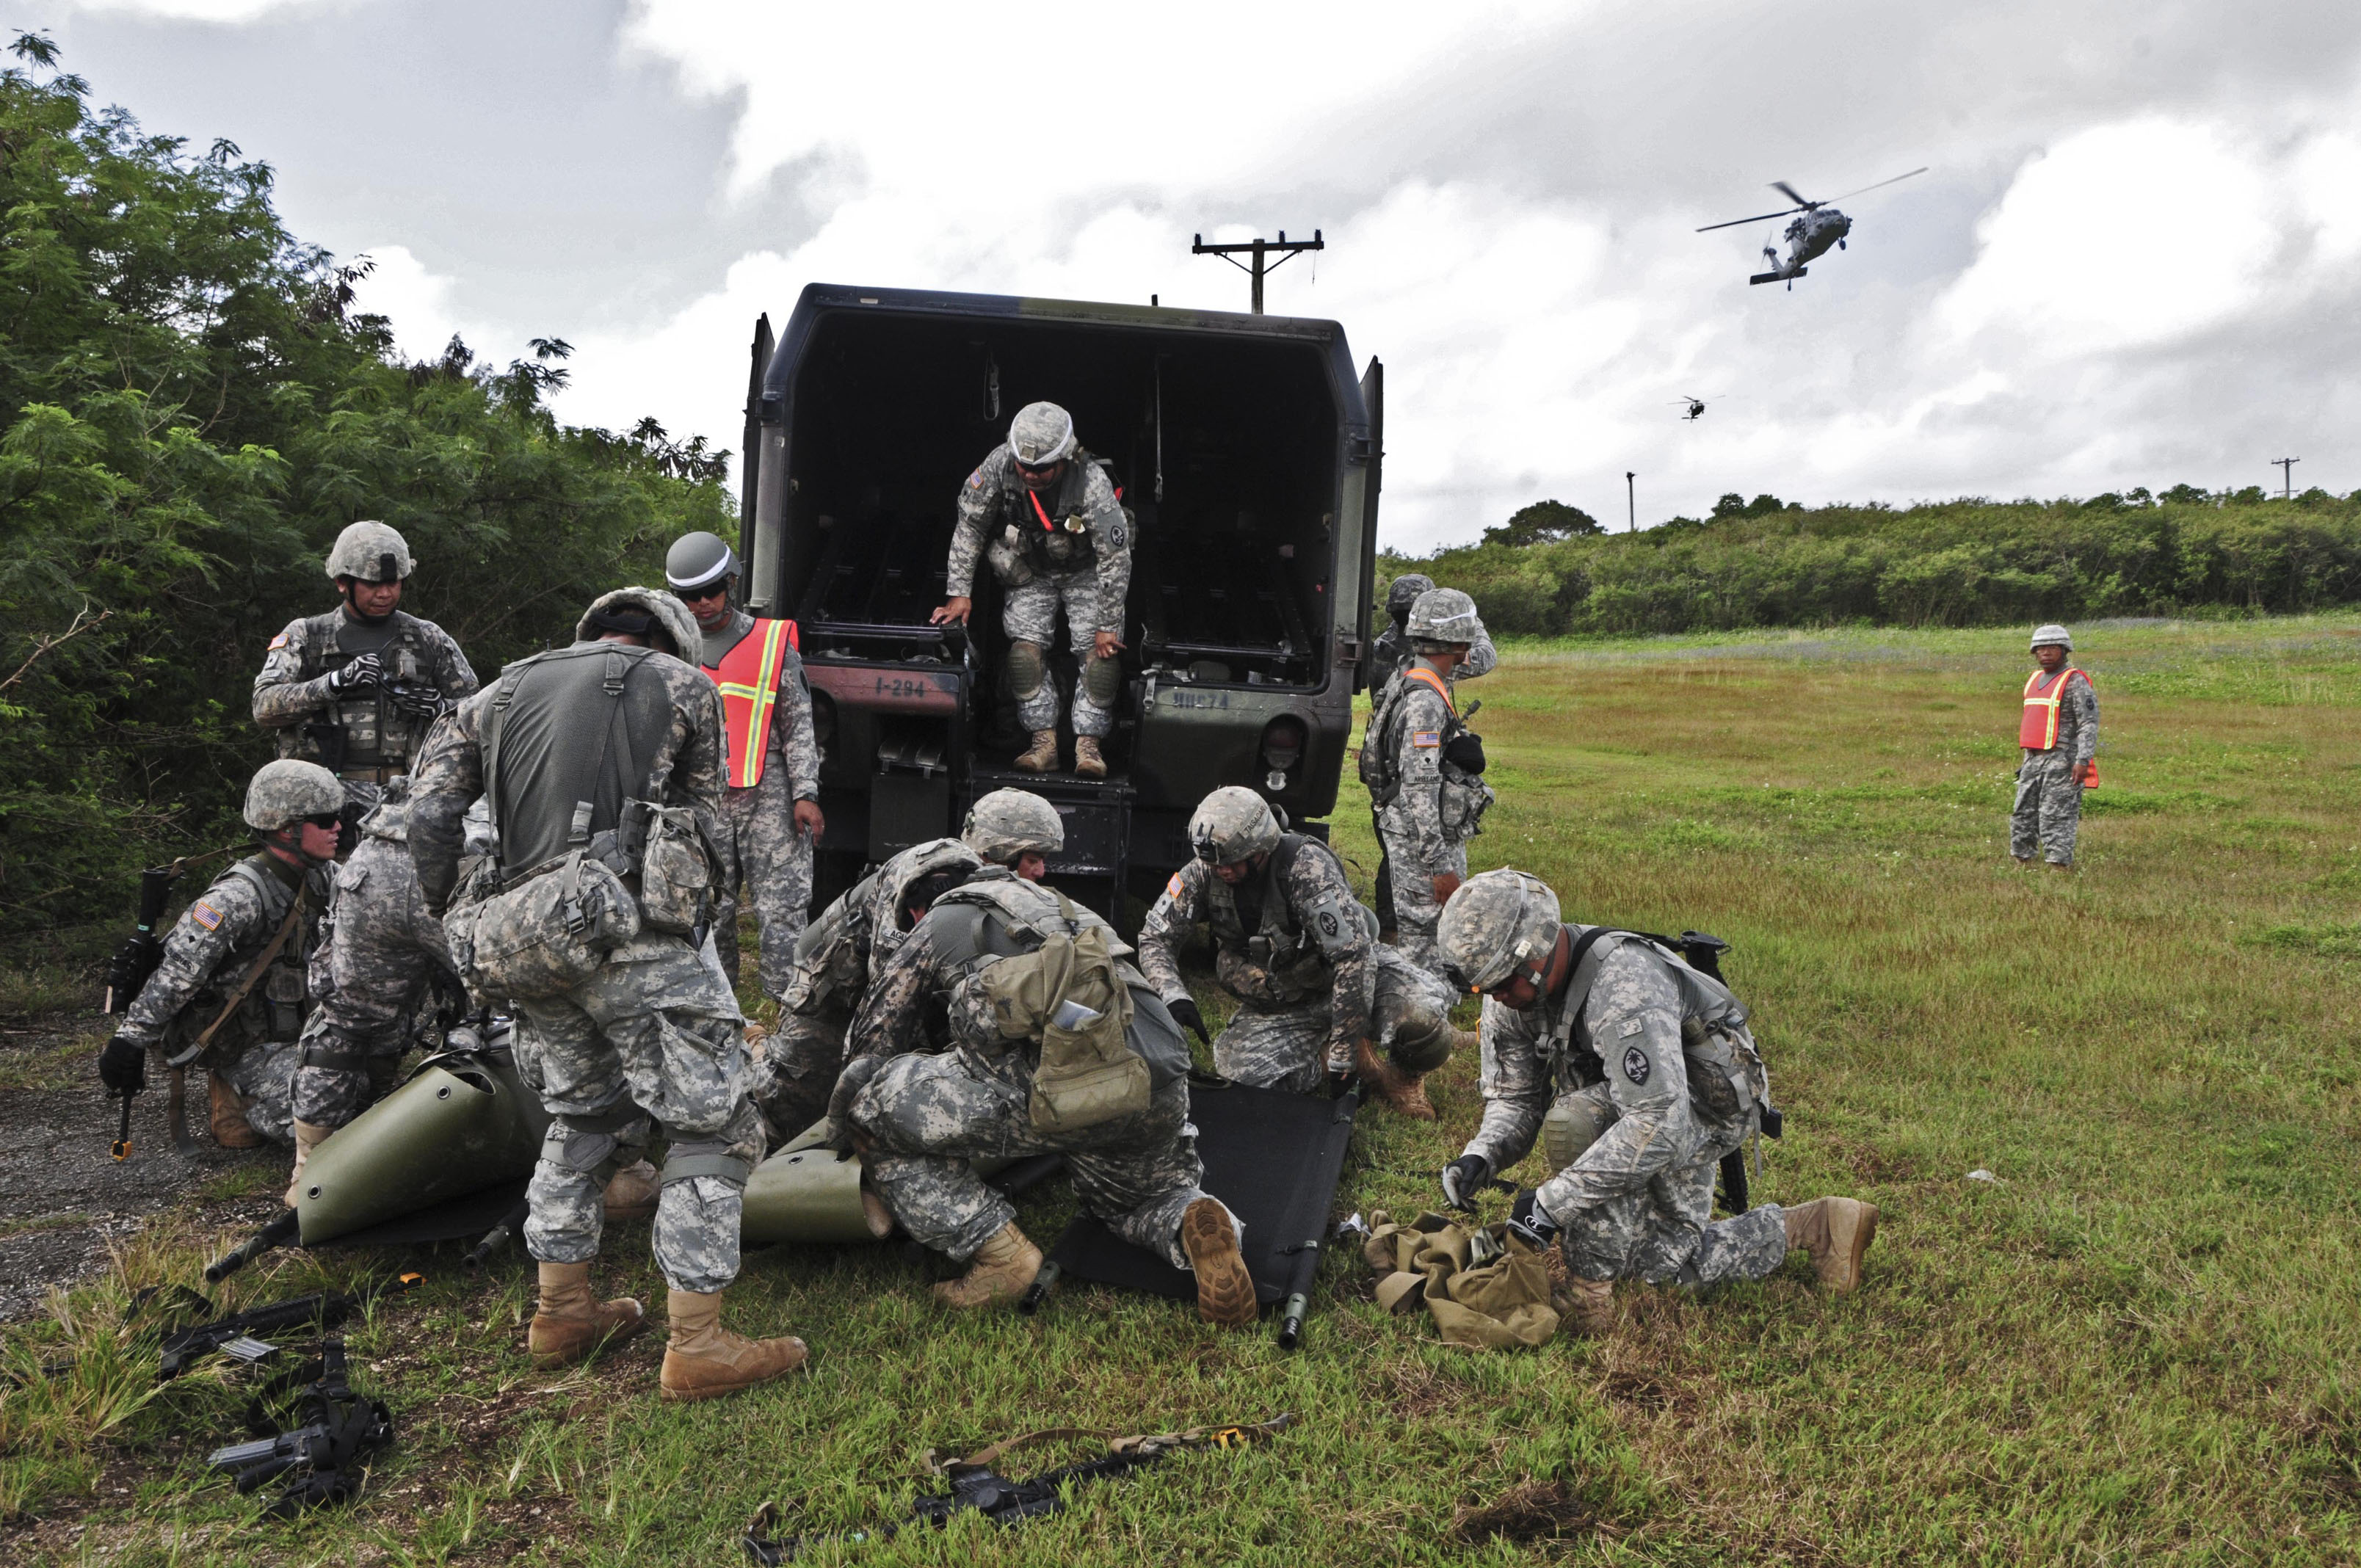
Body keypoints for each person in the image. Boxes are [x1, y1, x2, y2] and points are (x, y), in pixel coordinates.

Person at [407, 586, 802, 1401]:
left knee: (584, 1116)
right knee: (714, 1126)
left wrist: (465, 904)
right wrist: (691, 934)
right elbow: (707, 830)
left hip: (524, 941)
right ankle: (697, 1344)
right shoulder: (685, 684)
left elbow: (430, 813)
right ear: (675, 640)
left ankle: (562, 1313)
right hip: (632, 936)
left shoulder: (496, 691)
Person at [1433, 869, 1877, 1335]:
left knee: (1577, 1122)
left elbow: (1658, 1120)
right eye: (1483, 988)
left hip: (1703, 1109)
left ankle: (1589, 1296)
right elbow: (1515, 1097)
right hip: (1637, 1104)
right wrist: (1482, 1155)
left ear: (1536, 955)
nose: (1496, 998)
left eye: (1502, 984)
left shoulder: (1625, 984)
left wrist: (1549, 1205)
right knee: (1655, 1269)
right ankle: (1815, 1226)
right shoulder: (1510, 995)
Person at [827, 854, 1255, 1326]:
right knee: (1139, 1199)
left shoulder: (936, 923)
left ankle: (998, 1255)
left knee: (873, 1111)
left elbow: (872, 1043)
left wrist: (846, 1120)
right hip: (1150, 1084)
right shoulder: (1062, 907)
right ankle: (1193, 1219)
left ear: (916, 909)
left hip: (1056, 1094)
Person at [1137, 786, 1455, 1117]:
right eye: (1216, 864)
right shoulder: (1206, 870)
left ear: (1259, 848)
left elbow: (1353, 959)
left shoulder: (1307, 868)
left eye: (1232, 863)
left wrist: (1344, 1054)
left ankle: (1402, 1079)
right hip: (1285, 998)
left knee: (1424, 1024)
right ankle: (1323, 1057)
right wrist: (1174, 995)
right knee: (1241, 1078)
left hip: (1349, 980)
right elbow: (1155, 936)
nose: (1222, 872)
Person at [98, 761, 341, 1150]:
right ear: (287, 829)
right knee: (327, 1113)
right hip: (245, 1041)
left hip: (296, 1026)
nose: (338, 828)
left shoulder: (320, 875)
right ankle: (244, 1105)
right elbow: (177, 973)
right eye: (326, 819)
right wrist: (130, 1040)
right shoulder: (237, 898)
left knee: (365, 1083)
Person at [930, 402, 1132, 778]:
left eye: (1041, 469)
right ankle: (1045, 745)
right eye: (1025, 467)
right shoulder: (999, 465)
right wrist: (960, 591)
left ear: (1062, 459)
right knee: (1023, 658)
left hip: (1086, 571)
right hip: (1032, 570)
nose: (1031, 475)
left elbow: (1115, 557)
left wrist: (1108, 623)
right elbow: (971, 524)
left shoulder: (1089, 481)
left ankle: (1089, 748)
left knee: (1101, 659)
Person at [665, 531, 824, 1000]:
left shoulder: (773, 643)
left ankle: (788, 1010)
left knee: (783, 908)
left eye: (710, 592)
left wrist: (806, 794)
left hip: (770, 791)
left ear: (731, 582)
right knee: (709, 909)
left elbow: (798, 724)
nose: (701, 604)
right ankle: (720, 1012)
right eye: (688, 597)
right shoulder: (668, 653)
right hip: (698, 798)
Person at [752, 835, 982, 1141]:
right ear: (915, 914)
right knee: (792, 1114)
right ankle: (751, 1045)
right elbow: (881, 1028)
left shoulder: (976, 895)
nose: (1040, 871)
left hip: (879, 982)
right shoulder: (903, 902)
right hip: (829, 990)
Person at [252, 521, 478, 804]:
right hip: (324, 801)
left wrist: (440, 709)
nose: (385, 594)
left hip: (411, 796)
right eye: (372, 584)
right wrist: (334, 683)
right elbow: (264, 708)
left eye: (393, 583)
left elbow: (478, 714)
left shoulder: (428, 637)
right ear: (342, 583)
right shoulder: (306, 636)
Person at [1363, 589, 1495, 976]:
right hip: (1420, 836)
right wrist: (1439, 864)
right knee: (1425, 938)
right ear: (1456, 639)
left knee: (1431, 931)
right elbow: (1418, 788)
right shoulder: (1425, 699)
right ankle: (1425, 1021)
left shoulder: (1414, 669)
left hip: (1414, 830)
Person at [2013, 624, 2099, 871]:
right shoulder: (2033, 680)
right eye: (2040, 648)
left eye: (2051, 647)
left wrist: (2083, 761)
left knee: (2057, 815)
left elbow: (2088, 723)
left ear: (2064, 649)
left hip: (2063, 760)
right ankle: (2022, 860)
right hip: (2032, 759)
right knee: (2023, 813)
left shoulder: (2075, 681)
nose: (2045, 652)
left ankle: (2057, 867)